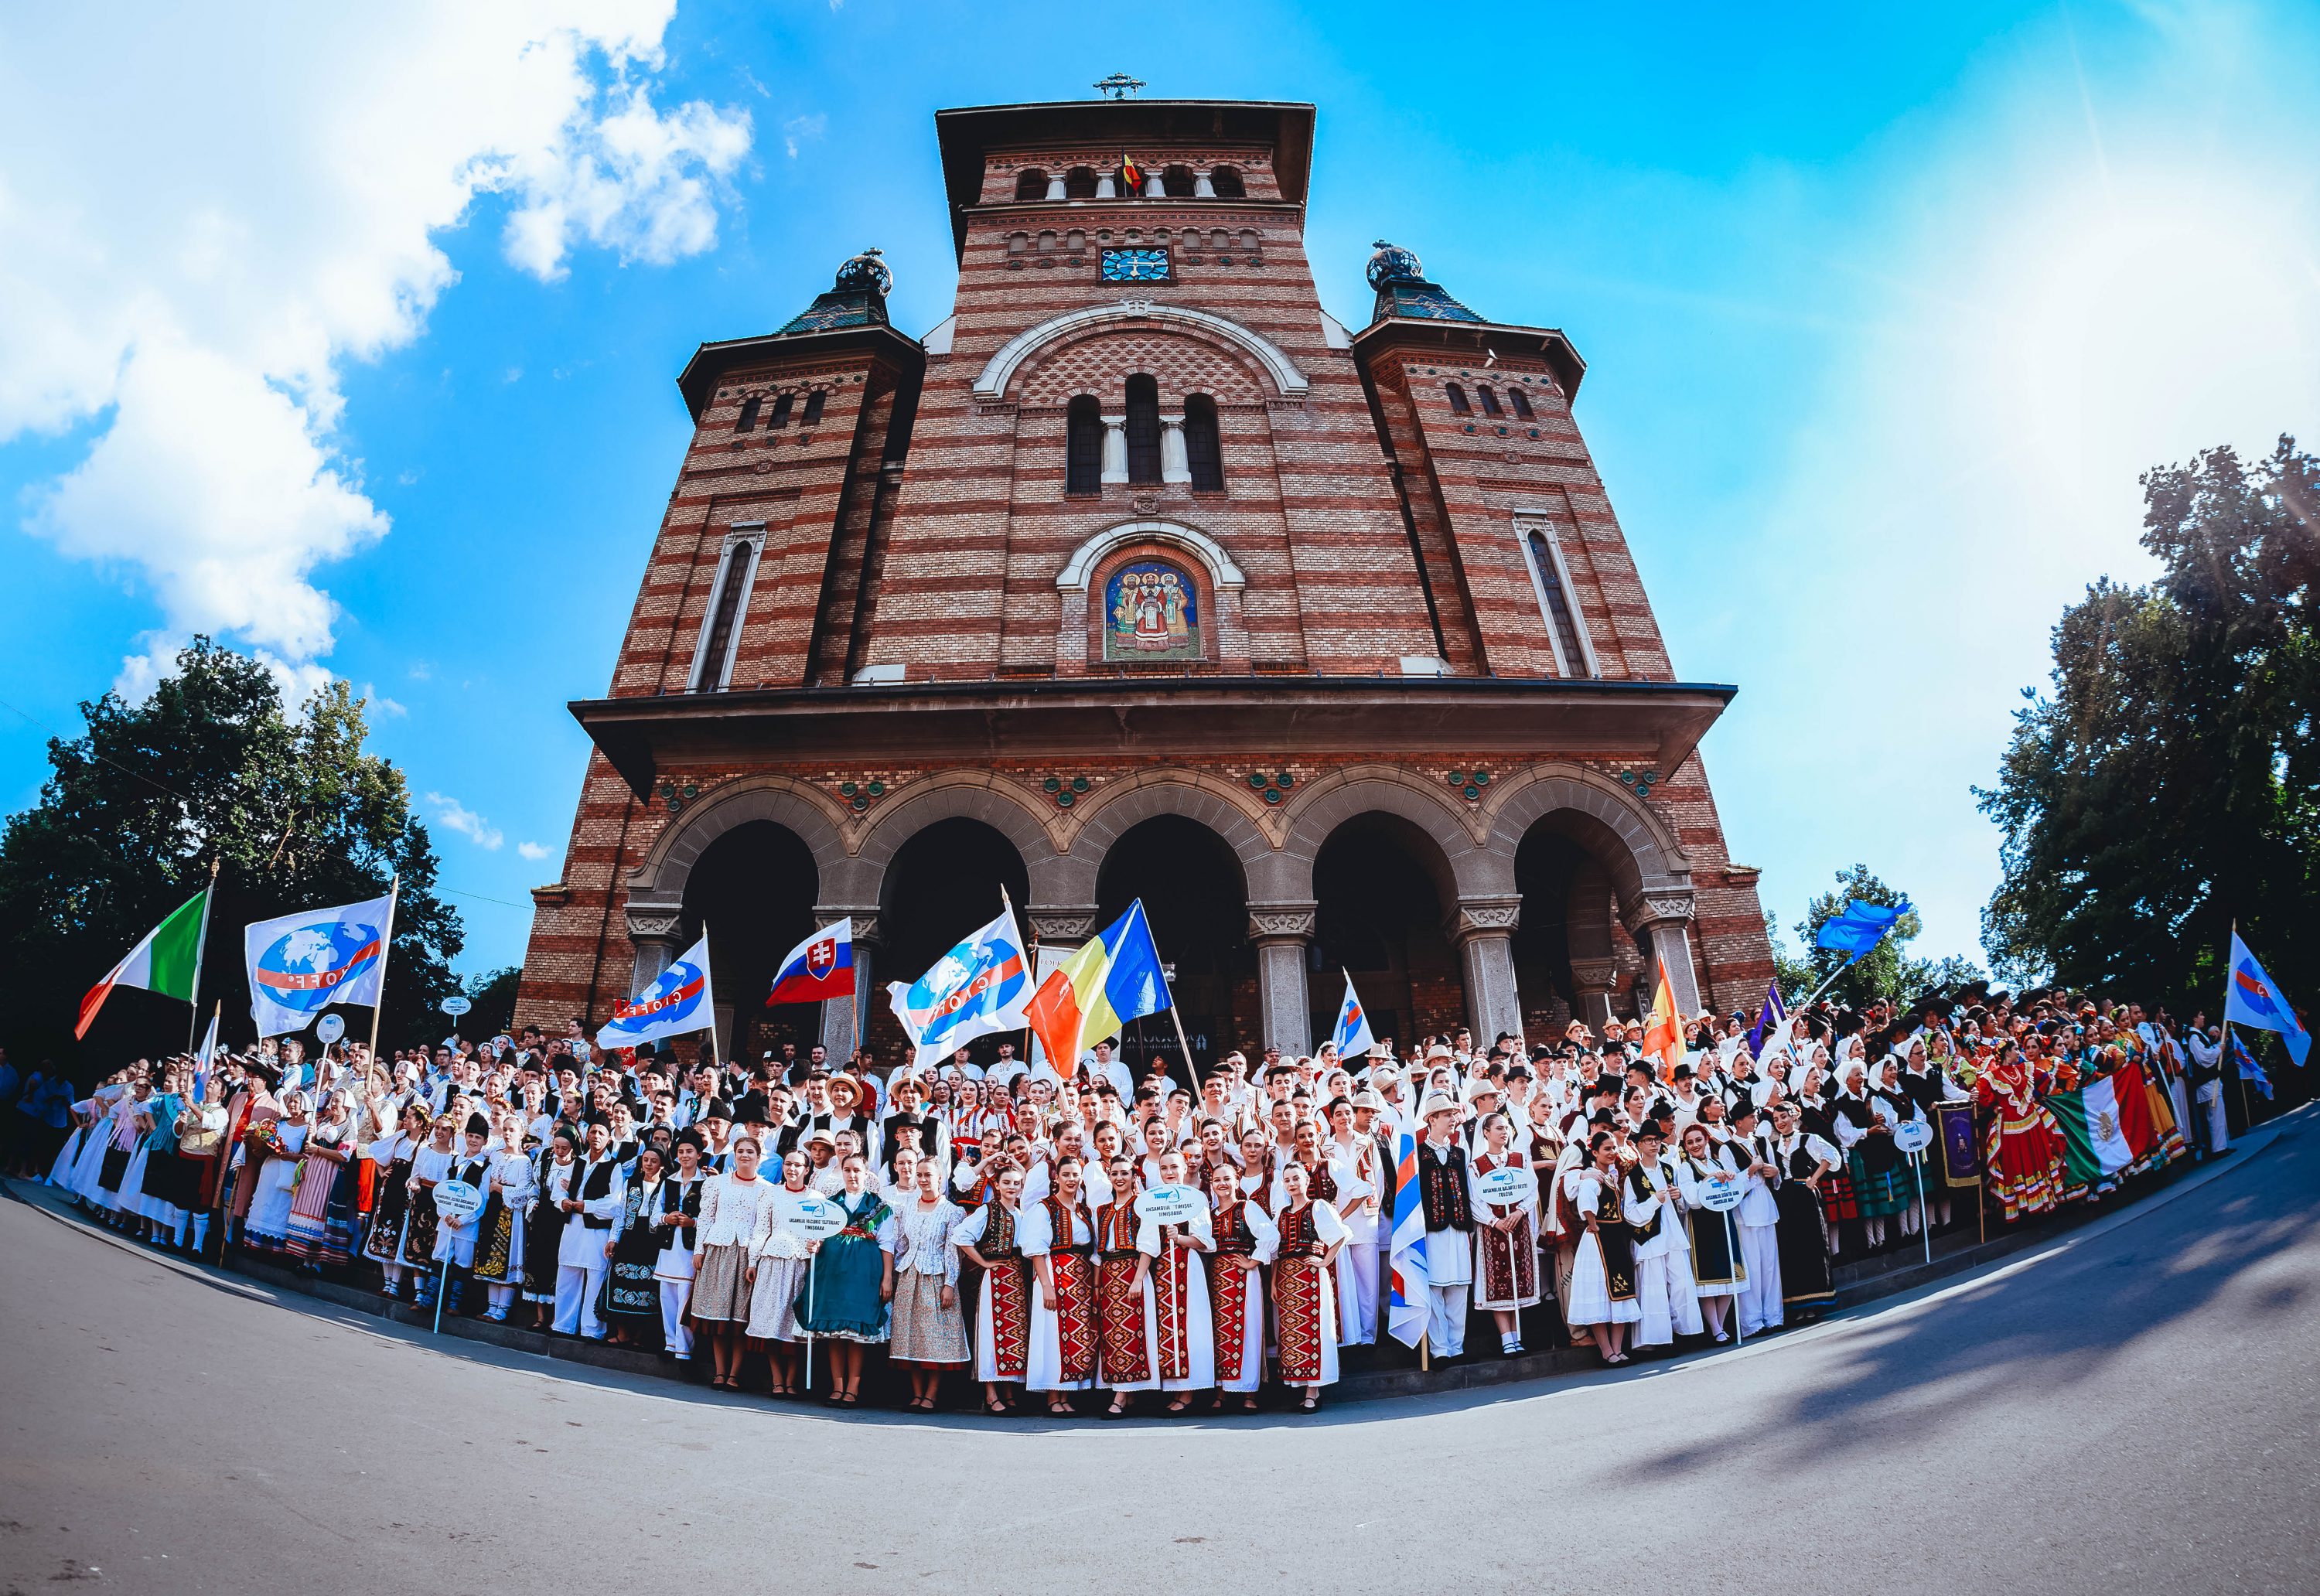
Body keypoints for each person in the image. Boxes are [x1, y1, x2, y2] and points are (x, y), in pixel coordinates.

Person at [794, 1151, 896, 1407]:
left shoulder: (879, 1207)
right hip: (832, 1272)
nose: (852, 1175)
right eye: (847, 1170)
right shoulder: (830, 1204)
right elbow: (818, 1234)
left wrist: (887, 1278)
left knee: (855, 1332)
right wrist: (813, 1245)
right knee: (834, 1333)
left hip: (864, 1275)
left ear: (866, 1173)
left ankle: (853, 1388)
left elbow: (887, 1244)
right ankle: (837, 1387)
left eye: (857, 1170)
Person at [887, 1154, 966, 1411]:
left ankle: (930, 1395)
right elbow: (901, 1242)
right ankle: (917, 1393)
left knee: (935, 1337)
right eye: (919, 1175)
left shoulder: (952, 1211)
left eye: (928, 1175)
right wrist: (894, 1272)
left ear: (940, 1178)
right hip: (909, 1275)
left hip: (936, 1277)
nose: (922, 1179)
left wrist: (950, 1284)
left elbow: (953, 1251)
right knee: (911, 1335)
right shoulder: (908, 1205)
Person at [954, 1161, 1032, 1414]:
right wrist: (984, 1263)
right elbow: (961, 1237)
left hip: (1017, 1278)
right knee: (991, 1333)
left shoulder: (1021, 1213)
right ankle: (990, 1395)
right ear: (996, 1185)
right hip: (997, 1278)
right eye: (1006, 1182)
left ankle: (1008, 1392)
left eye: (1016, 1183)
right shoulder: (987, 1210)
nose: (1011, 1187)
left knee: (1014, 1335)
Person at [1022, 1153, 1098, 1414]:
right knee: (1053, 1334)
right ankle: (1053, 1395)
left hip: (1081, 1279)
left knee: (1076, 1336)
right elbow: (1035, 1249)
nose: (1071, 1179)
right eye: (1066, 1174)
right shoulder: (1045, 1208)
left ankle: (1067, 1394)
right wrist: (1046, 1285)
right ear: (1056, 1177)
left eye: (1075, 1175)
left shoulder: (1083, 1210)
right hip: (1054, 1274)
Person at [1141, 1148, 1215, 1414]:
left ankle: (1189, 1389)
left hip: (1187, 1264)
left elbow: (1206, 1241)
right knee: (1166, 1323)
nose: (1170, 1173)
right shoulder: (1155, 1199)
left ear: (1185, 1168)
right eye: (1164, 1168)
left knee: (1190, 1323)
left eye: (1174, 1167)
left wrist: (1179, 1237)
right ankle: (1172, 1386)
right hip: (1163, 1267)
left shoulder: (1195, 1199)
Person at [1270, 1161, 1347, 1410]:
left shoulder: (1318, 1207)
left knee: (1316, 1329)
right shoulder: (1281, 1214)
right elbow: (1275, 1253)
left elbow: (1340, 1234)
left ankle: (1313, 1391)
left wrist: (1325, 1260)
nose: (1292, 1184)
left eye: (1296, 1178)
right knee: (1293, 1334)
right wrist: (1273, 1283)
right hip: (1286, 1278)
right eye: (1288, 1180)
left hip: (1310, 1276)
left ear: (1306, 1181)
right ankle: (1300, 1386)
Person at [691, 1134, 767, 1387]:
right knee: (718, 1316)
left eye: (750, 1152)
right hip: (718, 1251)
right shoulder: (717, 1183)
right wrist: (698, 1250)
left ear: (759, 1157)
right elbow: (706, 1218)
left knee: (738, 1318)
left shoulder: (767, 1189)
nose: (745, 1155)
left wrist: (754, 1261)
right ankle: (720, 1371)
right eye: (740, 1151)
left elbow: (761, 1228)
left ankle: (735, 1374)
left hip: (746, 1254)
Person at [1562, 1130, 1639, 1364]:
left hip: (1615, 1238)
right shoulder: (1593, 1178)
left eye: (1614, 1148)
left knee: (1621, 1292)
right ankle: (1607, 1351)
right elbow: (1585, 1203)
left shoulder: (1611, 1178)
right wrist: (1593, 1224)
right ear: (1595, 1153)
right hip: (1599, 1240)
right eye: (1607, 1149)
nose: (1612, 1152)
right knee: (1598, 1294)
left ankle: (1617, 1348)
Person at [1091, 1153, 1159, 1417]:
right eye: (1115, 1173)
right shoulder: (1103, 1210)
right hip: (1109, 1276)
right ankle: (1125, 1393)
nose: (1119, 1178)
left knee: (1131, 1333)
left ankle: (1120, 1397)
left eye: (1124, 1173)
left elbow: (1148, 1243)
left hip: (1132, 1271)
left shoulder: (1141, 1204)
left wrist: (1139, 1279)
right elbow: (1098, 1251)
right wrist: (1097, 1286)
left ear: (1133, 1177)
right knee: (1112, 1334)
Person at [1466, 1110, 1540, 1356]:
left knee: (1518, 1280)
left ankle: (1517, 1334)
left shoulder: (1520, 1159)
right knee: (1499, 1283)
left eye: (1506, 1127)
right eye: (1498, 1128)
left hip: (1519, 1226)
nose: (1504, 1132)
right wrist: (1494, 1221)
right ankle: (1506, 1337)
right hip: (1493, 1231)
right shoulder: (1476, 1166)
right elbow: (1475, 1200)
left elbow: (1531, 1189)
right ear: (1486, 1133)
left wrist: (1519, 1212)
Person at [745, 1149, 817, 1396]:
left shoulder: (816, 1196)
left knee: (793, 1323)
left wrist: (816, 1244)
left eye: (798, 1165)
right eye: (788, 1164)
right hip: (773, 1261)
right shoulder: (771, 1192)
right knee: (770, 1321)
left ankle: (791, 1381)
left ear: (807, 1170)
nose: (792, 1169)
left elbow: (820, 1232)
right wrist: (753, 1261)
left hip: (800, 1265)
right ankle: (777, 1379)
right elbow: (761, 1229)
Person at [550, 1117, 627, 1341]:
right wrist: (562, 1202)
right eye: (593, 1132)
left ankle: (592, 1329)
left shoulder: (614, 1166)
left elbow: (616, 1203)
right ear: (586, 1135)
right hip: (573, 1226)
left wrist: (589, 1206)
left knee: (595, 1278)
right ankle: (563, 1325)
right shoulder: (577, 1162)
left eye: (601, 1133)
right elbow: (559, 1189)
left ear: (609, 1138)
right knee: (567, 1275)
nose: (596, 1136)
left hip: (596, 1231)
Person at [1413, 1092, 1476, 1361]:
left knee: (1459, 1289)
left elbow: (1469, 1190)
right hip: (1432, 1230)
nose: (1453, 1119)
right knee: (1434, 1289)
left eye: (1453, 1114)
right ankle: (1439, 1350)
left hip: (1459, 1228)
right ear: (1432, 1119)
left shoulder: (1460, 1153)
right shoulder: (1418, 1155)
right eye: (1447, 1115)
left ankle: (1456, 1345)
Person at [1768, 1100, 1840, 1319]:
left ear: (1794, 1116)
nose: (1780, 1122)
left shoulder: (1808, 1139)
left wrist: (1814, 1178)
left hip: (1805, 1196)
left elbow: (1833, 1156)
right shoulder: (1773, 1146)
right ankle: (1798, 1304)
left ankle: (1816, 1300)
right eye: (1776, 1119)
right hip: (1786, 1200)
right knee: (1792, 1248)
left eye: (1784, 1117)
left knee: (1812, 1244)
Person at [1674, 1123, 1744, 1342]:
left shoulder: (1718, 1163)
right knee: (1708, 1278)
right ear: (1685, 1147)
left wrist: (1732, 1178)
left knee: (1729, 1275)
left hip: (1723, 1221)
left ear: (1706, 1140)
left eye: (1698, 1140)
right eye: (1690, 1142)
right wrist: (1709, 1180)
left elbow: (1735, 1191)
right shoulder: (1686, 1168)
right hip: (1702, 1225)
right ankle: (1715, 1328)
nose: (1695, 1145)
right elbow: (1693, 1201)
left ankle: (1720, 1325)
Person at [602, 1143, 670, 1347]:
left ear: (662, 1165)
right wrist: (613, 1238)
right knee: (622, 1282)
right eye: (646, 1160)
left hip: (651, 1242)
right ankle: (623, 1333)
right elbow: (621, 1214)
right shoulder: (631, 1183)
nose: (649, 1164)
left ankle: (639, 1336)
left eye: (654, 1161)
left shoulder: (667, 1185)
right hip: (630, 1239)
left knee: (645, 1288)